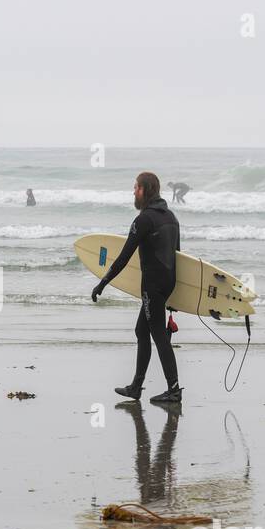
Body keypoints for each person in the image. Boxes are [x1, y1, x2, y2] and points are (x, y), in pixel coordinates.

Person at [92, 171, 183, 404]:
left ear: (145, 190)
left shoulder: (143, 220)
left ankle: (174, 390)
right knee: (142, 331)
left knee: (158, 335)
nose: (133, 191)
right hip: (167, 282)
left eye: (136, 187)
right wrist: (177, 295)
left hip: (152, 285)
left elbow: (123, 258)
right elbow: (178, 257)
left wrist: (102, 283)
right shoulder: (171, 217)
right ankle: (136, 387)